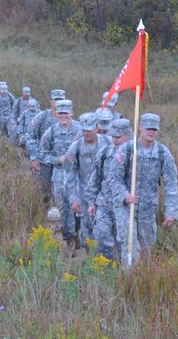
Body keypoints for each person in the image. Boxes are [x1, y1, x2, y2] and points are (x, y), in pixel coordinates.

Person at [124, 113, 178, 264]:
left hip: (148, 211)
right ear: (140, 128)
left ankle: (145, 279)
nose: (151, 132)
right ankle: (127, 280)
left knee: (147, 250)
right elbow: (113, 178)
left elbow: (171, 183)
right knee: (129, 249)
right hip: (126, 209)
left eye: (154, 129)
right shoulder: (128, 150)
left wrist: (171, 212)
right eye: (148, 128)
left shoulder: (163, 153)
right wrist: (123, 195)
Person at [60, 112, 113, 252]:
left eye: (89, 130)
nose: (87, 133)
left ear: (97, 127)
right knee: (87, 230)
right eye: (84, 130)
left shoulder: (109, 143)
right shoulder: (75, 147)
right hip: (85, 196)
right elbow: (68, 174)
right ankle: (90, 258)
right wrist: (73, 198)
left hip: (106, 196)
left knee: (106, 230)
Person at [85, 119, 133, 262]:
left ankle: (122, 275)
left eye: (118, 137)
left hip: (125, 208)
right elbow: (95, 180)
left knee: (123, 243)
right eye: (113, 137)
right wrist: (91, 203)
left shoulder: (136, 157)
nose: (115, 141)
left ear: (127, 136)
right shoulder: (104, 154)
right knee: (101, 238)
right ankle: (103, 271)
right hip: (104, 206)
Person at [38, 99, 82, 249]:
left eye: (66, 113)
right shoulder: (51, 131)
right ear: (56, 113)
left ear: (71, 113)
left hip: (77, 176)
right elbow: (43, 154)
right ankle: (69, 238)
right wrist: (57, 159)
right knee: (63, 207)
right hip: (59, 175)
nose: (63, 116)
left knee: (78, 207)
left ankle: (77, 231)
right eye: (60, 113)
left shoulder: (80, 130)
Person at [26, 89, 65, 201]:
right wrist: (34, 158)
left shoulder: (67, 119)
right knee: (43, 193)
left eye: (61, 100)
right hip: (44, 162)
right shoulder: (41, 117)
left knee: (61, 194)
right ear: (51, 102)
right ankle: (43, 216)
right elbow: (30, 136)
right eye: (56, 100)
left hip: (61, 163)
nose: (58, 103)